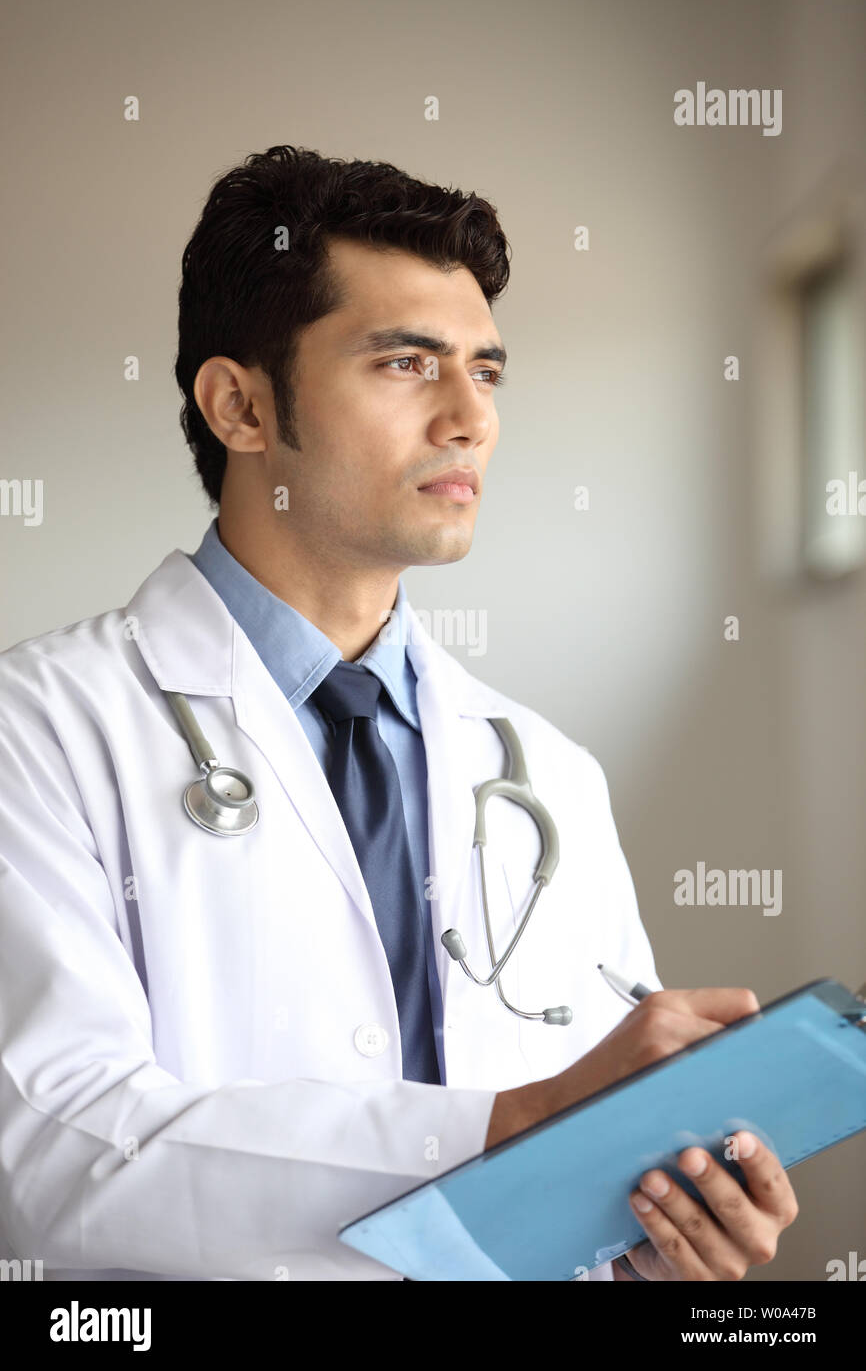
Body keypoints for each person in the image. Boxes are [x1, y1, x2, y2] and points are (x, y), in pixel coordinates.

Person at [0, 145, 798, 1282]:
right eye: (407, 363)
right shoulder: (38, 730)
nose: (469, 416)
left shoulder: (547, 773)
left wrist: (661, 1242)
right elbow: (53, 1162)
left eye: (487, 370)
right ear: (238, 405)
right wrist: (505, 1128)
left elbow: (587, 1172)